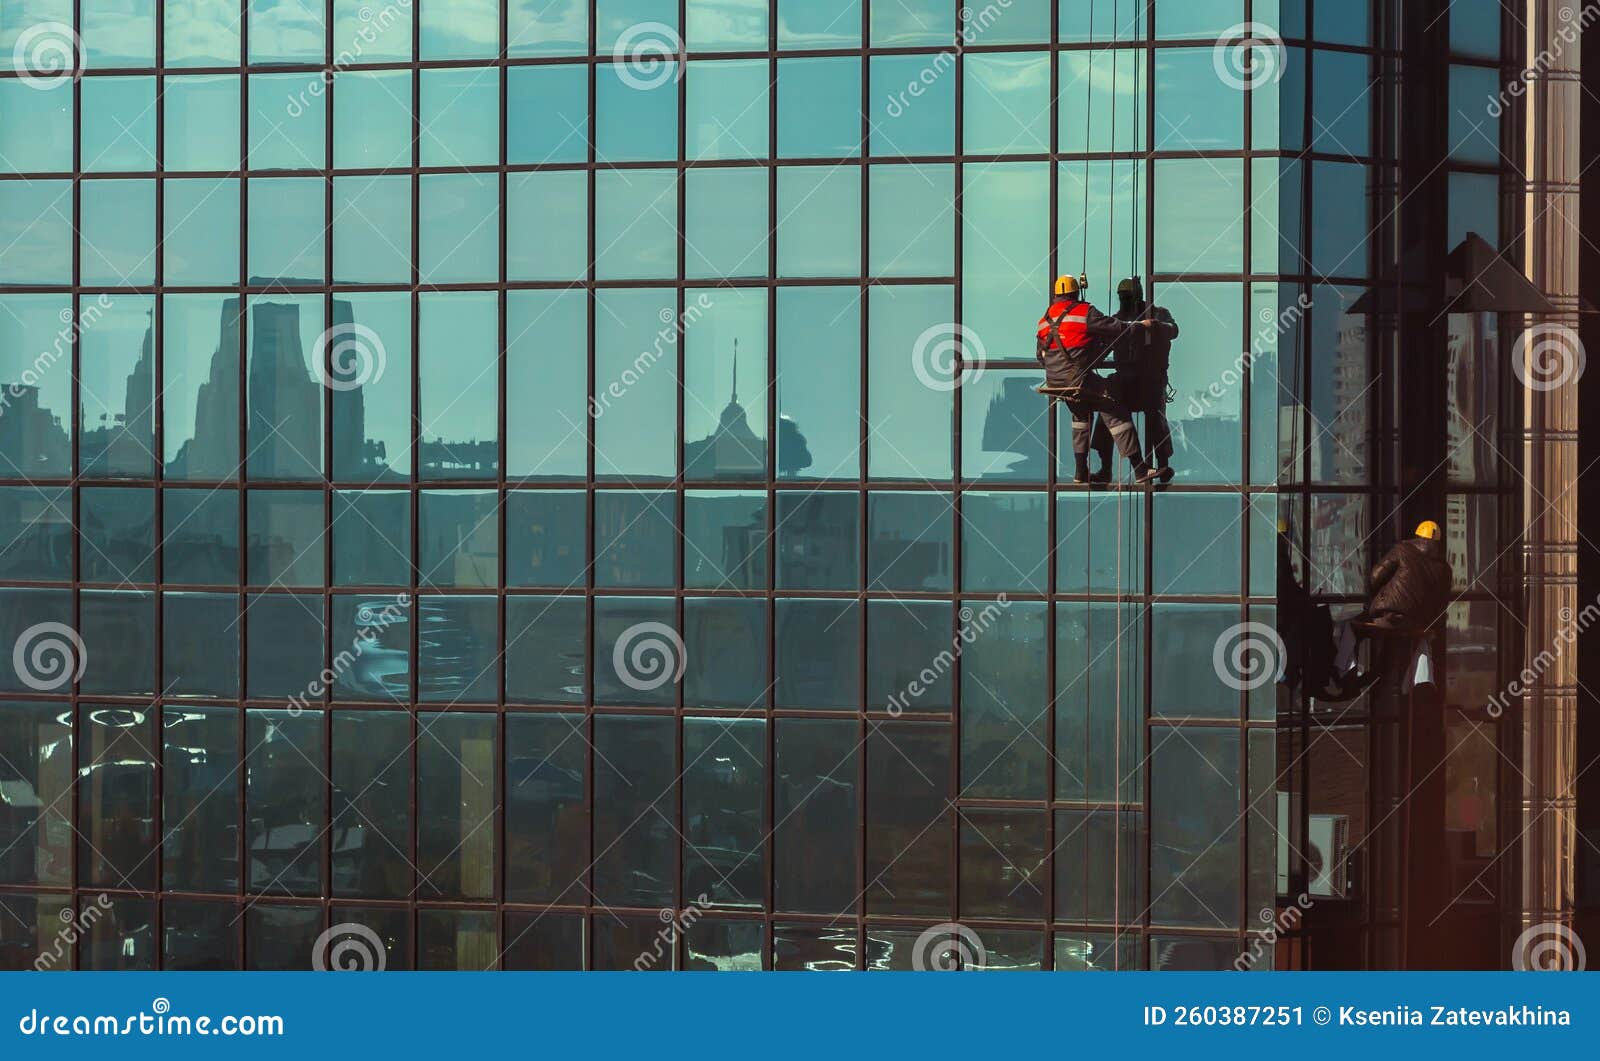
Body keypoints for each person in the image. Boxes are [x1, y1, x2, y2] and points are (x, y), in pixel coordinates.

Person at [1035, 275, 1161, 485]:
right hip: (1078, 379)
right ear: (1076, 293)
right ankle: (1140, 469)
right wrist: (1143, 326)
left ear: (1057, 295)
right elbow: (1118, 328)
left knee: (1080, 416)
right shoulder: (1084, 312)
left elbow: (1040, 356)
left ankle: (1080, 472)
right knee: (1114, 407)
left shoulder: (1045, 319)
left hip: (1057, 382)